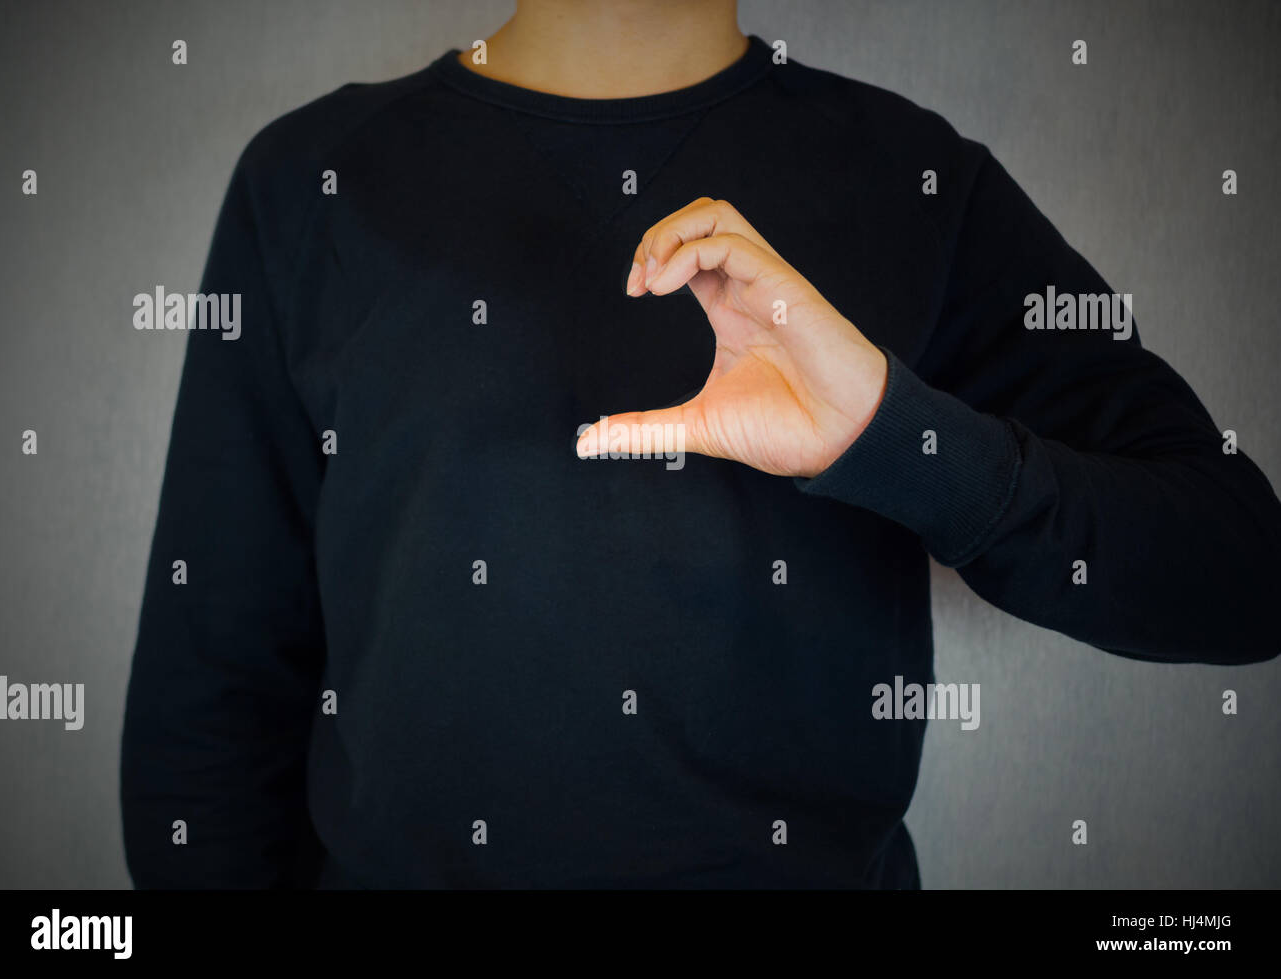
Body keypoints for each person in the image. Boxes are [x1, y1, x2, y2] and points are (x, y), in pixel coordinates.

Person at [121, 0, 1281, 889]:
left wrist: (892, 432)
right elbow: (212, 690)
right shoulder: (311, 183)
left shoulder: (913, 181)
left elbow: (1241, 569)